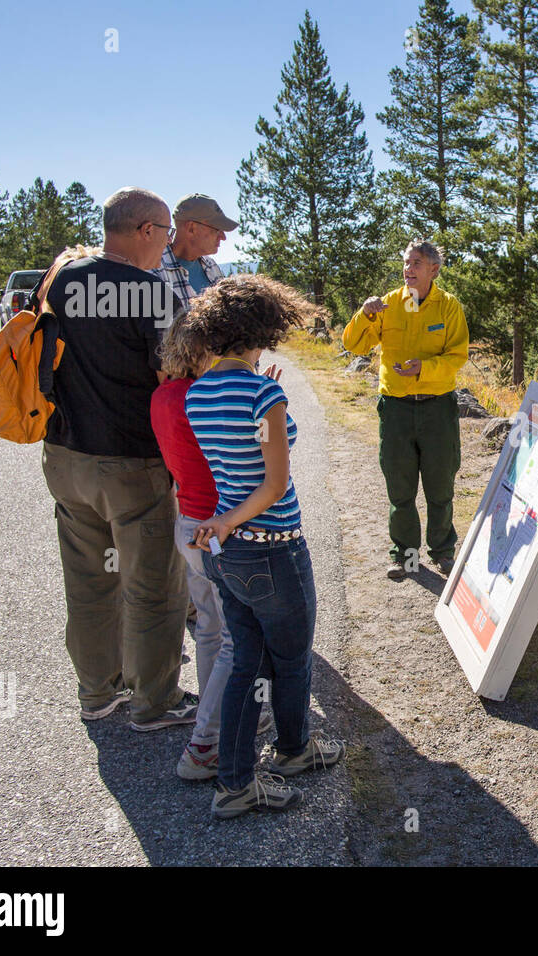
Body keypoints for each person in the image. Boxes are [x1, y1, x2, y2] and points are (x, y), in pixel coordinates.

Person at [185, 274, 342, 818]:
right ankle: (295, 752)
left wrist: (226, 520)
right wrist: (229, 518)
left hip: (228, 557)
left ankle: (234, 782)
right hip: (273, 547)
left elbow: (235, 460)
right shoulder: (262, 393)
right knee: (293, 662)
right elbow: (273, 484)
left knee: (246, 665)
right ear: (263, 327)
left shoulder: (200, 391)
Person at [41, 186, 197, 731]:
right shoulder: (152, 293)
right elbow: (172, 378)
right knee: (154, 586)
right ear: (146, 232)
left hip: (64, 455)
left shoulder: (61, 279)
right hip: (132, 461)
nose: (169, 245)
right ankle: (155, 702)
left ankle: (96, 691)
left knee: (88, 583)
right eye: (166, 234)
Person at [152, 315, 276, 780]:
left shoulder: (163, 397)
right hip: (219, 526)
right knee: (235, 640)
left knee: (208, 628)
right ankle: (205, 743)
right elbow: (251, 455)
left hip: (187, 520)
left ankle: (216, 713)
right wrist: (259, 399)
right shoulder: (202, 396)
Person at [341, 240, 470, 580]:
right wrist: (364, 314)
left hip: (438, 409)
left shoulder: (449, 307)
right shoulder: (386, 305)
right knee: (400, 489)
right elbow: (354, 345)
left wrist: (423, 369)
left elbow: (457, 356)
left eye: (416, 263)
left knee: (440, 485)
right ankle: (406, 557)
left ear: (433, 270)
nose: (408, 269)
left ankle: (443, 552)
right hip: (396, 410)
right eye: (406, 262)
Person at [153, 193, 234, 315]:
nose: (223, 237)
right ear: (191, 228)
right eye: (216, 229)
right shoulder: (154, 270)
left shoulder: (211, 265)